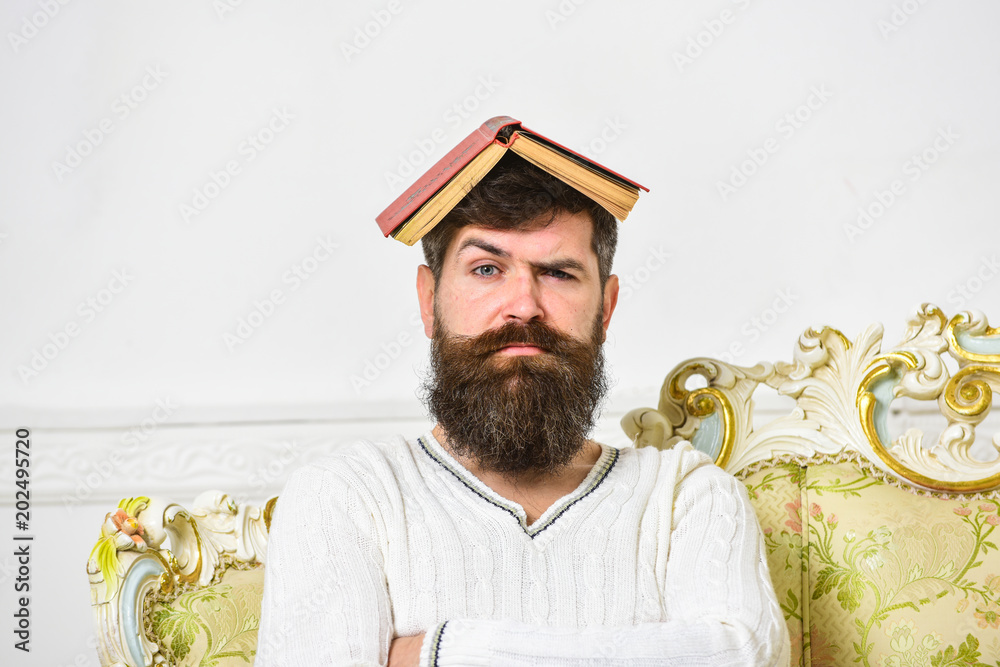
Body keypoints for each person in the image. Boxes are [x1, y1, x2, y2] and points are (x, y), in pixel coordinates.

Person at [256, 152, 790, 666]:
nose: (524, 305)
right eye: (486, 269)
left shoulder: (685, 497)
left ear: (605, 308)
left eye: (558, 273)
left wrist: (443, 654)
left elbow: (743, 657)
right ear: (428, 300)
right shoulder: (346, 497)